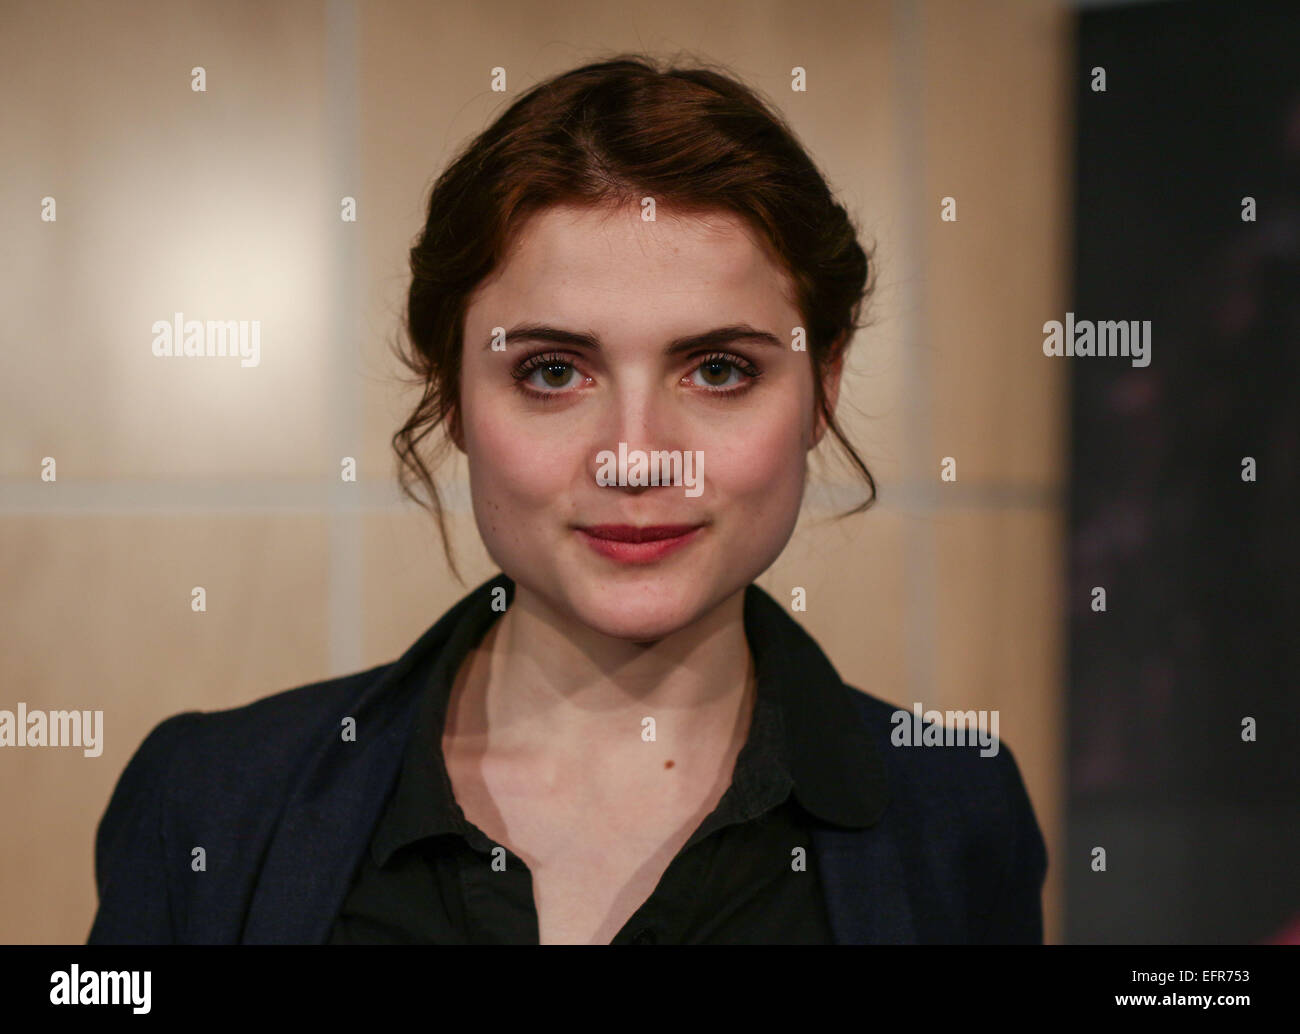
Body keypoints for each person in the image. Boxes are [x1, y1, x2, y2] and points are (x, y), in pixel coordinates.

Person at [88, 54, 1047, 945]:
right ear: (454, 396)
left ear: (821, 389)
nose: (636, 459)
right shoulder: (208, 802)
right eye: (553, 371)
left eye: (719, 369)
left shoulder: (958, 815)